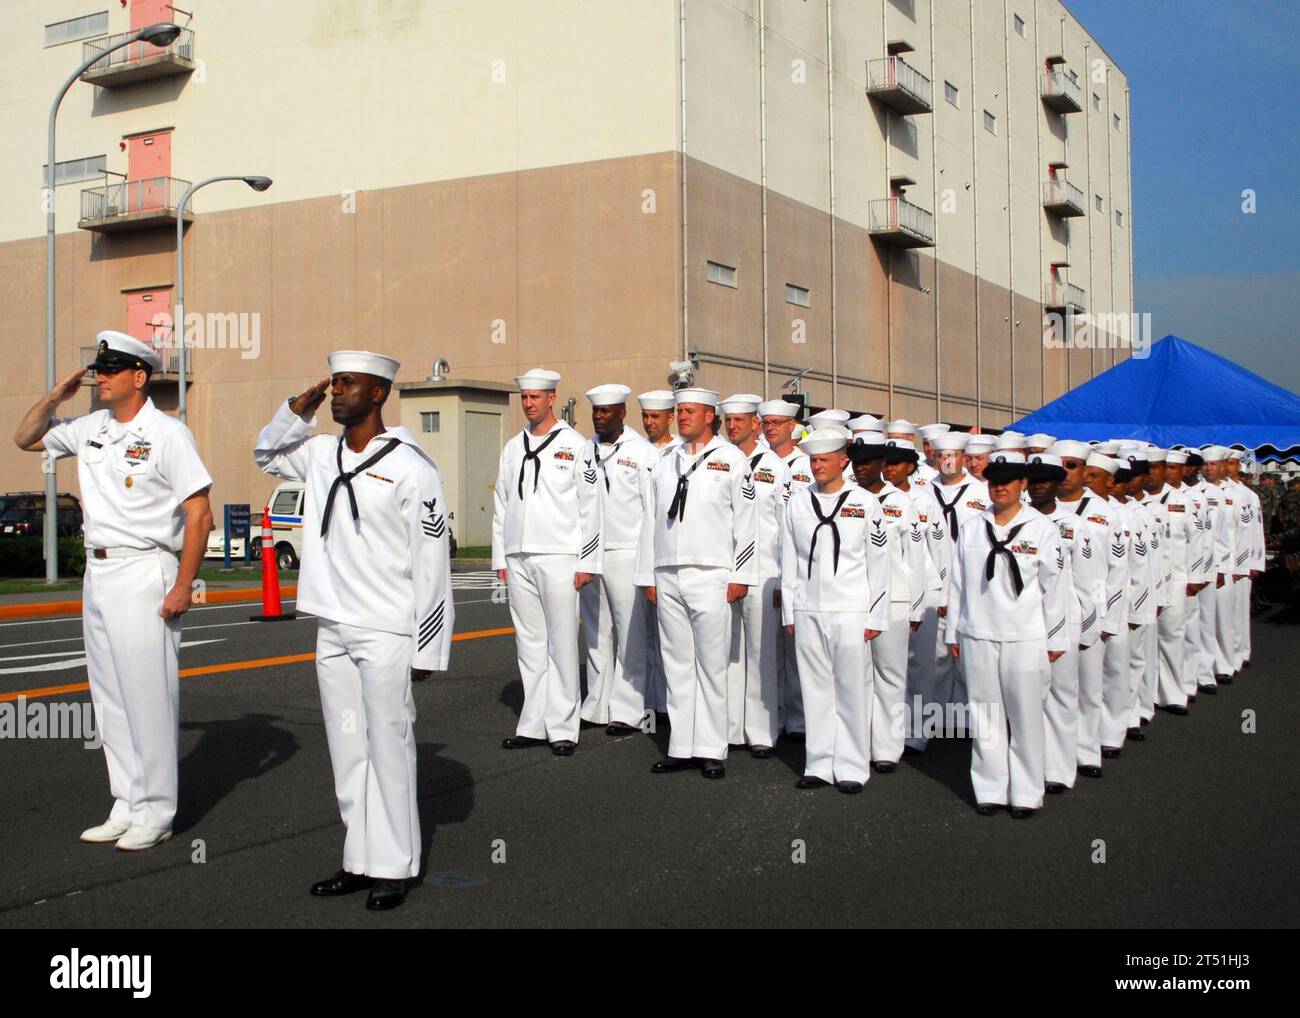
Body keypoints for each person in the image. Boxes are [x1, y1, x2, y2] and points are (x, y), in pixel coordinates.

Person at [255, 351, 453, 910]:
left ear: (379, 394)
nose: (338, 391)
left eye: (349, 384)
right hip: (333, 626)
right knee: (348, 750)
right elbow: (266, 454)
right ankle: (359, 858)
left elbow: (431, 561)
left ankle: (394, 864)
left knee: (388, 745)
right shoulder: (320, 453)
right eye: (335, 382)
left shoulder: (413, 466)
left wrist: (428, 645)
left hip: (387, 629)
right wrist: (301, 406)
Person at [14, 331, 213, 852]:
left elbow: (199, 514)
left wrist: (184, 585)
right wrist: (57, 395)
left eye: (111, 369)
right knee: (111, 700)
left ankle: (157, 810)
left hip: (146, 569)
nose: (99, 377)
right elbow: (24, 437)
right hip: (98, 574)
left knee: (148, 698)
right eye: (98, 368)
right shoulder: (90, 427)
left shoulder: (168, 434)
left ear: (139, 376)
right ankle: (125, 801)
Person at [637, 388, 757, 778]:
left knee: (711, 663)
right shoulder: (665, 461)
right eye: (680, 411)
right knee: (676, 663)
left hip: (711, 572)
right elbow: (650, 520)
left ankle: (710, 747)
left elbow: (747, 522)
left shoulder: (731, 460)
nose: (682, 416)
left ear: (710, 416)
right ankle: (682, 745)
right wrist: (647, 574)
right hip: (668, 571)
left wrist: (741, 574)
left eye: (690, 411)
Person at [945, 451, 1069, 817]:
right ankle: (990, 789)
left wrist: (1056, 638)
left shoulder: (1041, 529)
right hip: (978, 632)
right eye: (994, 480)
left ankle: (1028, 792)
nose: (999, 487)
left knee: (1026, 716)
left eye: (1008, 480)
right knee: (985, 716)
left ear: (1023, 484)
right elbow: (958, 583)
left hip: (1025, 635)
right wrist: (954, 631)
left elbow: (1055, 588)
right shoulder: (972, 527)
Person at [492, 369, 603, 756]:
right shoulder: (512, 447)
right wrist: (500, 556)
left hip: (560, 555)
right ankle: (533, 723)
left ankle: (563, 727)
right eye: (524, 398)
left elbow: (591, 508)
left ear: (552, 398)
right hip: (519, 554)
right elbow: (502, 504)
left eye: (536, 397)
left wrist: (586, 560)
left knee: (560, 643)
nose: (529, 404)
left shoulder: (575, 445)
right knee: (529, 643)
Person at [779, 425, 890, 792]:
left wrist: (875, 614)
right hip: (810, 607)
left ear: (844, 461)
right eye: (813, 461)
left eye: (825, 460)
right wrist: (791, 612)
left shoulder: (865, 502)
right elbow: (790, 560)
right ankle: (819, 763)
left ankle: (853, 766)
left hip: (851, 609)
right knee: (815, 689)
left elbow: (879, 563)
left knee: (852, 689)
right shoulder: (797, 501)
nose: (817, 467)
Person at [579, 384, 656, 734]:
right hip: (591, 553)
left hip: (627, 551)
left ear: (621, 413)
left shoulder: (642, 452)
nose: (599, 416)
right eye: (595, 411)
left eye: (606, 411)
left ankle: (628, 709)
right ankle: (596, 703)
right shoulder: (585, 449)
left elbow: (650, 510)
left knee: (630, 633)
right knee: (596, 634)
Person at [1027, 452, 1101, 793]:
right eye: (1033, 479)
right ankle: (1030, 764)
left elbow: (1089, 581)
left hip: (1064, 619)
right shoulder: (1018, 520)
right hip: (1026, 621)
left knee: (1061, 694)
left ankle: (1058, 769)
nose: (1038, 486)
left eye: (1045, 480)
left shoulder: (1075, 525)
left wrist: (1089, 627)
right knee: (1027, 697)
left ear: (1057, 484)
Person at [851, 435, 925, 772]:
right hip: (855, 600)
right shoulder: (846, 497)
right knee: (858, 676)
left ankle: (887, 748)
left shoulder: (902, 501)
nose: (861, 466)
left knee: (891, 675)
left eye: (868, 459)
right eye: (856, 459)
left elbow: (915, 557)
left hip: (894, 599)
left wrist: (915, 604)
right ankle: (860, 742)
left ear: (882, 463)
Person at [721, 394, 786, 756]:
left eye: (740, 421)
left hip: (764, 571)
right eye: (728, 421)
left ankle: (762, 730)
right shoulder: (720, 461)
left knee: (762, 654)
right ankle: (731, 728)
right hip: (727, 570)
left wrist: (784, 579)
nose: (733, 427)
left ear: (756, 425)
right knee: (729, 653)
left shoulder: (774, 467)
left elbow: (787, 528)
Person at [1056, 444, 1126, 779]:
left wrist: (1111, 617)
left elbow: (1119, 568)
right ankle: (1056, 753)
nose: (1066, 471)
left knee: (1089, 684)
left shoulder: (1107, 512)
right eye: (1060, 465)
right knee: (1055, 688)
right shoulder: (1035, 507)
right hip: (1050, 613)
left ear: (1086, 471)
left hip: (1091, 607)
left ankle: (1087, 750)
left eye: (1072, 465)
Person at [760, 398, 813, 741]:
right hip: (764, 564)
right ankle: (771, 716)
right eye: (766, 423)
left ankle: (799, 718)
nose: (770, 429)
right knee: (766, 650)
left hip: (797, 567)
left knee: (796, 651)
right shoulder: (757, 463)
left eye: (777, 423)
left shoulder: (808, 464)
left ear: (792, 427)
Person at [638, 390, 682, 720]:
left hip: (671, 554)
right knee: (644, 635)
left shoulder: (681, 453)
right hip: (639, 550)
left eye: (656, 417)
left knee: (673, 639)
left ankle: (670, 704)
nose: (650, 422)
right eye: (646, 417)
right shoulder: (636, 451)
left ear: (670, 417)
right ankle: (650, 702)